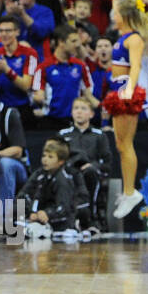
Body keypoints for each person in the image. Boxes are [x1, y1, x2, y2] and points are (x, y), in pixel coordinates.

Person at [104, 0, 148, 219]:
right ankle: (127, 191)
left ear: (124, 17)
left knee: (126, 144)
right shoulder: (123, 36)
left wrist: (130, 89)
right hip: (118, 88)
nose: (113, 17)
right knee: (120, 145)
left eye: (116, 14)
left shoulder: (134, 39)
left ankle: (130, 191)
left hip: (126, 90)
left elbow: (135, 66)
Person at [59, 97, 115, 228]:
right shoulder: (63, 134)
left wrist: (93, 165)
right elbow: (57, 158)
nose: (79, 112)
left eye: (83, 109)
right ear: (71, 112)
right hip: (69, 172)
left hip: (90, 173)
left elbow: (107, 163)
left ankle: (92, 218)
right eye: (76, 108)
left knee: (89, 173)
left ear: (91, 114)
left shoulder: (99, 135)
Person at [19, 139, 77, 235]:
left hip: (59, 223)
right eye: (44, 156)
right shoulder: (39, 174)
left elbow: (64, 208)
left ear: (61, 161)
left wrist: (48, 214)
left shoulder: (63, 180)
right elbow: (23, 195)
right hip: (37, 218)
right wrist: (30, 213)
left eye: (50, 157)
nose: (45, 160)